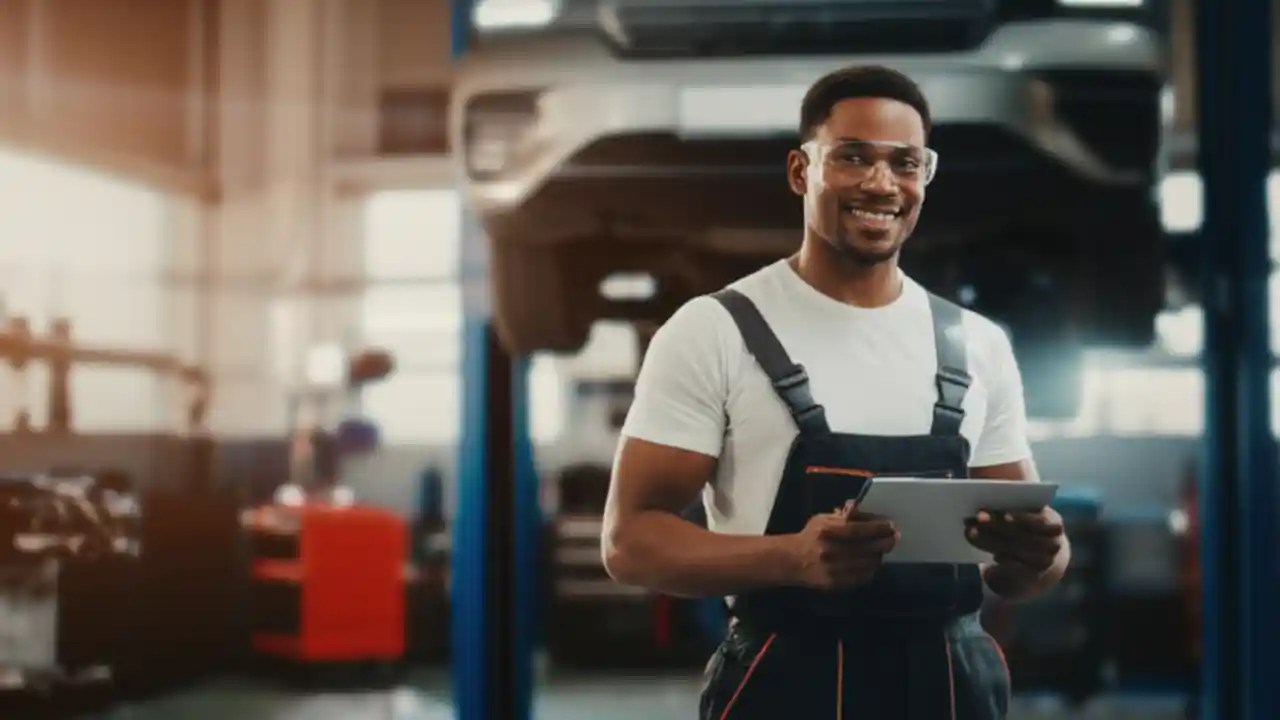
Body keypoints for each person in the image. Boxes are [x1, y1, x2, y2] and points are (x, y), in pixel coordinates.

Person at [601, 65, 1070, 719]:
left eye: (905, 163)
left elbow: (1019, 571)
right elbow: (629, 542)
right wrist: (791, 558)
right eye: (853, 157)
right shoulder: (717, 330)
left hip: (952, 685)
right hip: (788, 683)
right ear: (801, 171)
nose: (881, 184)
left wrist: (1043, 554)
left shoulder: (975, 345)